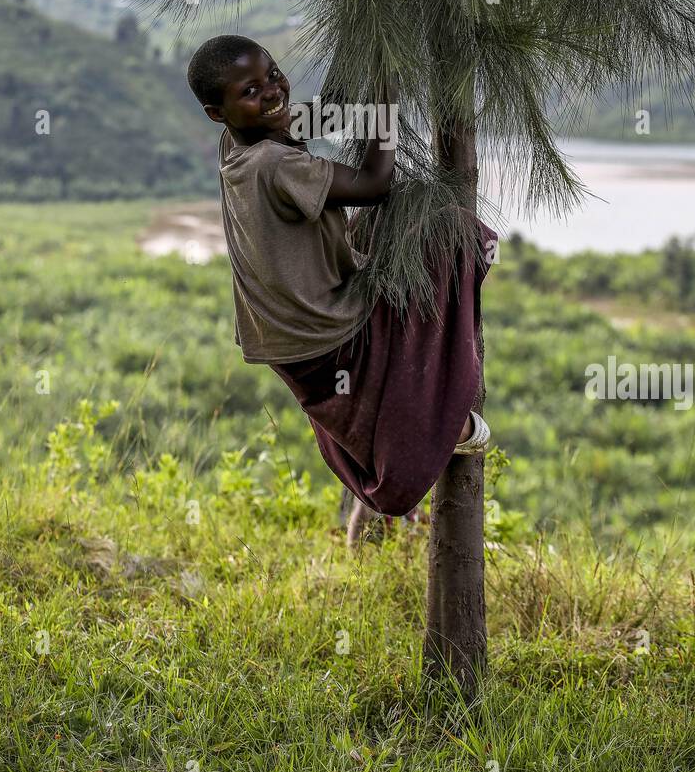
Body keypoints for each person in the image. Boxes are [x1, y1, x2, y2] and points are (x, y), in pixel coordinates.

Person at [187, 35, 496, 543]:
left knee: (380, 245)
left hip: (283, 335)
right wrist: (386, 102)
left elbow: (310, 119)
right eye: (251, 90)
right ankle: (449, 428)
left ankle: (392, 472)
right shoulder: (274, 164)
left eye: (273, 74)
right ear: (216, 112)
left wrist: (373, 48)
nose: (271, 93)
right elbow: (375, 185)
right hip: (322, 331)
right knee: (458, 235)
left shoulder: (236, 144)